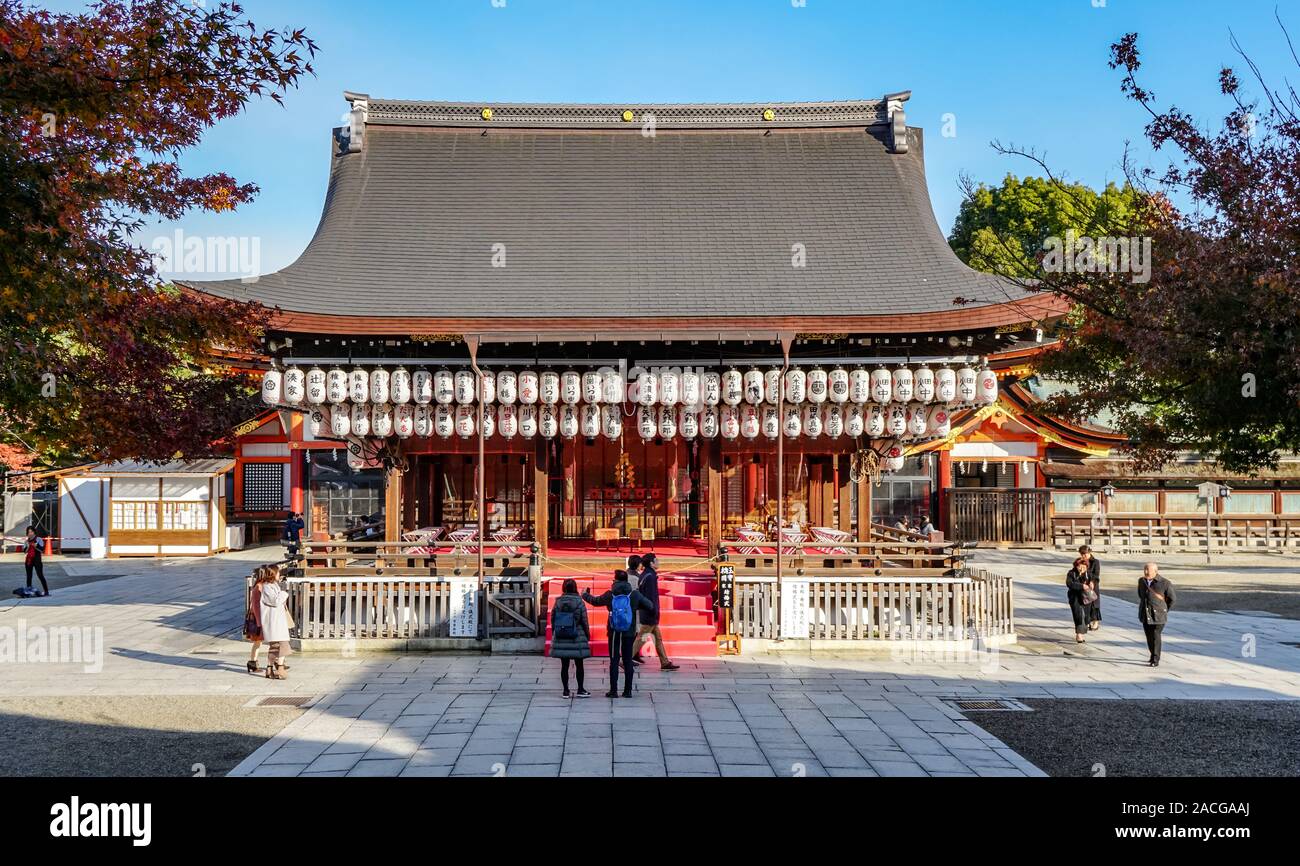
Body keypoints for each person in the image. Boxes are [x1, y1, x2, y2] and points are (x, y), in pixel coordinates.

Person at [582, 569, 654, 698]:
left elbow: (595, 601)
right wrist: (634, 607)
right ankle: (628, 691)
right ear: (627, 580)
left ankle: (613, 691)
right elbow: (650, 606)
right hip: (629, 631)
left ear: (615, 580)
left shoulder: (610, 594)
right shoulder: (634, 594)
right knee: (627, 660)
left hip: (614, 631)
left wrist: (584, 594)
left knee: (614, 660)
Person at [631, 552, 680, 671]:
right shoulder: (650, 577)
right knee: (641, 638)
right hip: (649, 612)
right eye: (656, 560)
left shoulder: (645, 575)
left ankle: (664, 662)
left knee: (657, 638)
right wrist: (654, 611)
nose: (658, 562)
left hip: (646, 611)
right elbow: (651, 597)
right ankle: (625, 659)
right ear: (652, 563)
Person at [549, 579, 592, 698]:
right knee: (579, 664)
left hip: (561, 634)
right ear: (575, 588)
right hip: (577, 634)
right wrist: (587, 634)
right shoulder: (579, 602)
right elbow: (584, 620)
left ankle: (566, 690)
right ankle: (580, 689)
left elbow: (553, 619)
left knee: (564, 665)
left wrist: (555, 633)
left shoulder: (558, 602)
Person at [1137, 563, 1176, 667]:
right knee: (1148, 636)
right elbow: (1141, 595)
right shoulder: (1141, 581)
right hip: (1145, 613)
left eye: (1148, 570)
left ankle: (1155, 658)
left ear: (1155, 571)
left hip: (1158, 614)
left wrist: (1164, 609)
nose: (1145, 572)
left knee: (1155, 635)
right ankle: (1152, 654)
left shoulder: (1165, 583)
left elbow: (1172, 599)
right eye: (1144, 569)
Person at [258, 564, 292, 680]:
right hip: (273, 621)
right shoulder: (267, 587)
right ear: (273, 574)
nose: (279, 575)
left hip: (277, 621)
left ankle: (270, 668)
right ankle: (280, 668)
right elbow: (276, 601)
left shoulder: (273, 585)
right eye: (278, 573)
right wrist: (284, 593)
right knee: (281, 645)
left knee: (277, 646)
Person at [1065, 557, 1097, 643]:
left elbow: (1095, 578)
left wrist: (1092, 583)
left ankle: (1082, 632)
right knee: (1079, 615)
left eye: (1084, 566)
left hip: (1086, 598)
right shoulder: (1071, 573)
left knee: (1086, 616)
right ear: (1076, 566)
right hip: (1075, 597)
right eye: (1080, 566)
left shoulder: (1088, 574)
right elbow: (1069, 583)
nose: (1082, 568)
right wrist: (1081, 585)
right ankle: (1079, 635)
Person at [244, 566, 268, 673]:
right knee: (258, 642)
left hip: (261, 618)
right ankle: (253, 662)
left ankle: (253, 662)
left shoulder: (262, 586)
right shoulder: (258, 587)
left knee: (259, 642)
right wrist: (259, 623)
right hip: (258, 619)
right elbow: (255, 607)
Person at [1078, 545, 1102, 631]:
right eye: (1082, 554)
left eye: (1085, 554)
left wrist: (1092, 581)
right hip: (1084, 585)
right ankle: (1087, 622)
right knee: (1085, 603)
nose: (1083, 556)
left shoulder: (1095, 562)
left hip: (1093, 585)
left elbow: (1096, 574)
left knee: (1094, 604)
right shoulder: (1080, 561)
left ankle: (1095, 622)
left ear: (1089, 553)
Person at [23, 526, 49, 596]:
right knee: (29, 576)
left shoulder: (39, 539)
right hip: (29, 560)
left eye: (31, 532)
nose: (30, 533)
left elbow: (42, 550)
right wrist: (28, 547)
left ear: (34, 532)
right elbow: (24, 552)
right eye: (28, 532)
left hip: (37, 559)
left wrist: (36, 546)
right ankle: (29, 591)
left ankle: (46, 591)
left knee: (40, 575)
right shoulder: (26, 541)